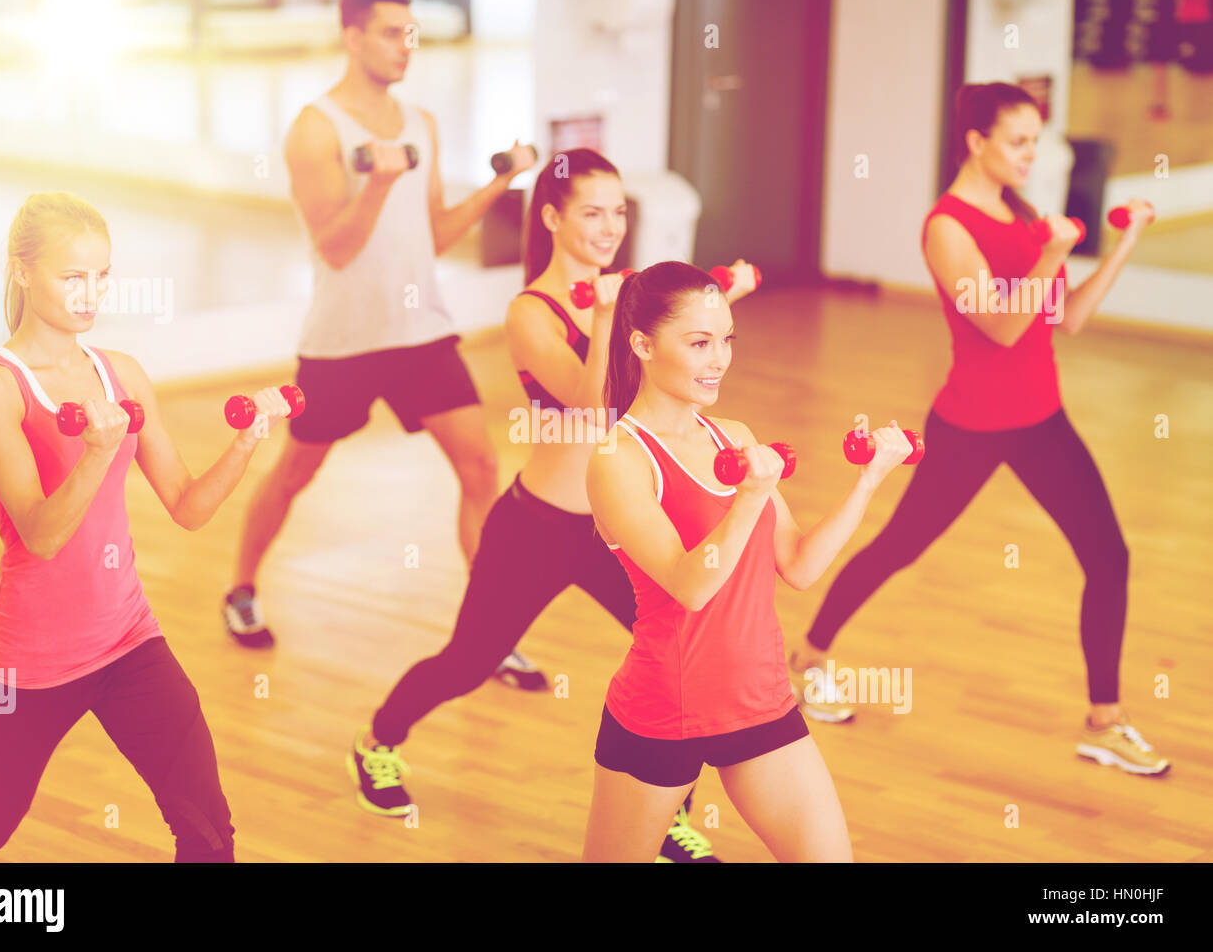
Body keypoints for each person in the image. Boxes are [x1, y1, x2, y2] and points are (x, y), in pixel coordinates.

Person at [351, 150, 760, 861]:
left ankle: (670, 816)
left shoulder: (627, 295)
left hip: (621, 524)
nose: (609, 228)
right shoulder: (530, 312)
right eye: (592, 213)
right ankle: (377, 741)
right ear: (551, 218)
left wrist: (725, 291)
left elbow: (677, 341)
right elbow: (592, 404)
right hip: (538, 526)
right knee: (470, 659)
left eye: (619, 213)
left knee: (678, 657)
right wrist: (606, 315)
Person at [790, 82, 1169, 776]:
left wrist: (1124, 242)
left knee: (1109, 556)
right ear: (976, 141)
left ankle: (1104, 725)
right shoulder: (948, 227)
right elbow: (998, 325)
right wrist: (1051, 253)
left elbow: (1069, 319)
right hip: (971, 422)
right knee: (900, 546)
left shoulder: (1021, 212)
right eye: (1018, 141)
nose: (1031, 154)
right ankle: (807, 660)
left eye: (1035, 140)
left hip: (1041, 418)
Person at [0, 192, 292, 862]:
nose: (91, 294)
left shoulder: (119, 373)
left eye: (102, 276)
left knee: (209, 834)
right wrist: (98, 453)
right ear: (22, 270)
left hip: (129, 643)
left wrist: (246, 443)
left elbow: (186, 505)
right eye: (73, 277)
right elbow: (40, 534)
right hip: (29, 667)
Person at [222, 0, 541, 689]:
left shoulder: (419, 123)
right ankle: (242, 588)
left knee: (481, 468)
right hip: (343, 344)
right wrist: (378, 184)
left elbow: (435, 235)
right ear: (353, 35)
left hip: (420, 331)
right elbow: (334, 249)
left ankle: (488, 635)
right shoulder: (315, 130)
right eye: (393, 34)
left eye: (412, 35)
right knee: (296, 473)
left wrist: (499, 183)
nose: (406, 47)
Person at [583, 260, 914, 862]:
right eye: (700, 342)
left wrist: (869, 481)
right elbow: (692, 586)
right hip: (665, 708)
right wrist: (751, 497)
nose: (719, 359)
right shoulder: (618, 459)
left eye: (727, 339)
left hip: (759, 698)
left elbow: (799, 565)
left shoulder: (731, 434)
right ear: (642, 345)